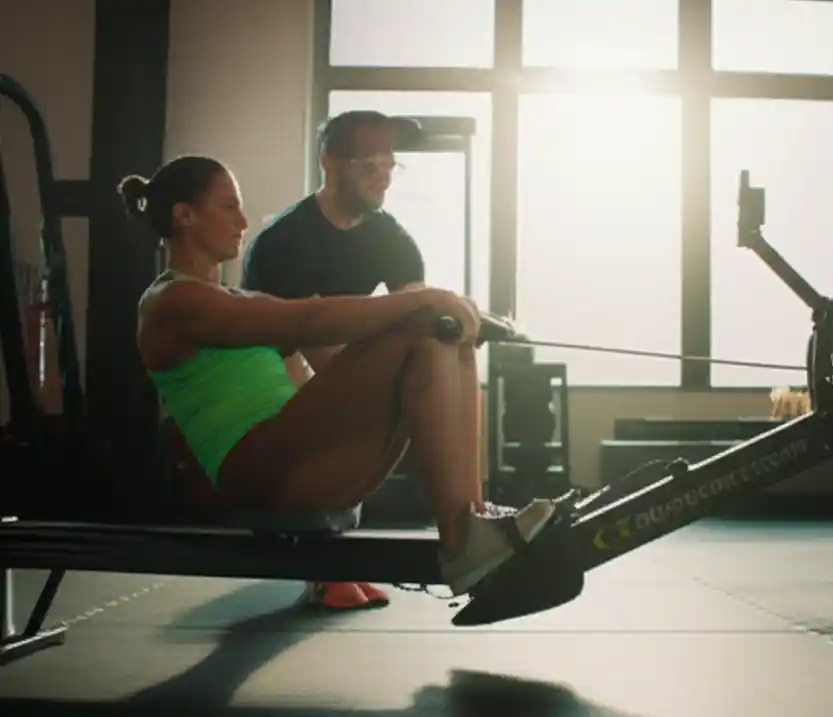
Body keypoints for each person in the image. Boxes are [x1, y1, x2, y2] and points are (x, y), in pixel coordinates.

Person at [118, 155, 556, 599]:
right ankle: (467, 541)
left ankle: (471, 521)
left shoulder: (241, 299)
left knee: (438, 335)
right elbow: (310, 320)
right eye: (229, 207)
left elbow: (319, 382)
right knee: (424, 320)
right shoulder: (171, 301)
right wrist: (425, 301)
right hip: (253, 473)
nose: (243, 220)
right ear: (184, 214)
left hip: (298, 465)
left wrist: (449, 330)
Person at [240, 110, 424, 609]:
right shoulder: (283, 243)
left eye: (390, 162)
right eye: (369, 164)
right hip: (275, 386)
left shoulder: (390, 236)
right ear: (329, 163)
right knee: (344, 392)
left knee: (425, 365)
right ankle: (324, 563)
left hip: (342, 358)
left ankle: (346, 557)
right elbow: (300, 351)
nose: (384, 174)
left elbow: (416, 316)